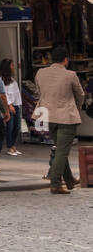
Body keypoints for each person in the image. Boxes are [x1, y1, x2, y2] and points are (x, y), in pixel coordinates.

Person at [35, 46, 88, 194]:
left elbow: (40, 92)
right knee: (62, 151)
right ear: (66, 60)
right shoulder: (71, 75)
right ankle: (56, 182)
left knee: (60, 149)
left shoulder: (40, 72)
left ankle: (69, 179)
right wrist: (75, 107)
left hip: (47, 115)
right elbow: (80, 95)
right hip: (66, 116)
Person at [0, 59, 23, 156]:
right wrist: (9, 105)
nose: (13, 67)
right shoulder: (1, 80)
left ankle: (13, 145)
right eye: (12, 65)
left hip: (16, 105)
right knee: (10, 126)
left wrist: (18, 104)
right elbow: (3, 94)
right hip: (9, 106)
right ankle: (10, 147)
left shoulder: (12, 79)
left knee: (17, 126)